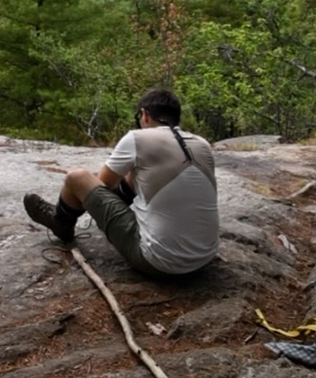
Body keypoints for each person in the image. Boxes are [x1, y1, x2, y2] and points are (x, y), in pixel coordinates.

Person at [22, 88, 218, 276]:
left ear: (145, 115)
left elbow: (102, 185)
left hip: (159, 263)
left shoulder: (137, 138)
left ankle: (61, 223)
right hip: (204, 257)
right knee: (137, 171)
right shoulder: (202, 144)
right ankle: (108, 213)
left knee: (77, 178)